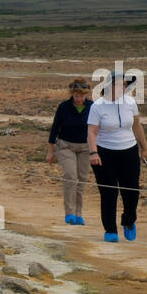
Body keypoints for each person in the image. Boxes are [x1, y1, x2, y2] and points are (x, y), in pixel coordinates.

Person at [88, 68, 147, 242]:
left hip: (129, 151)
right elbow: (91, 132)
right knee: (109, 192)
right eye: (117, 84)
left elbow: (137, 126)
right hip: (104, 152)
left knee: (132, 191)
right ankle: (110, 230)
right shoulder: (98, 105)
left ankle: (129, 220)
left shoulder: (130, 102)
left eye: (124, 84)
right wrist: (93, 152)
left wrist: (144, 148)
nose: (121, 87)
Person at [47, 78, 93, 224]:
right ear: (72, 94)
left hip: (86, 147)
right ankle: (69, 213)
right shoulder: (64, 107)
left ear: (86, 95)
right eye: (76, 96)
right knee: (70, 176)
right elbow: (55, 128)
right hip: (66, 146)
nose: (79, 99)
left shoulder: (92, 107)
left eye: (81, 96)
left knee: (82, 179)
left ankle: (79, 213)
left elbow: (97, 129)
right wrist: (50, 150)